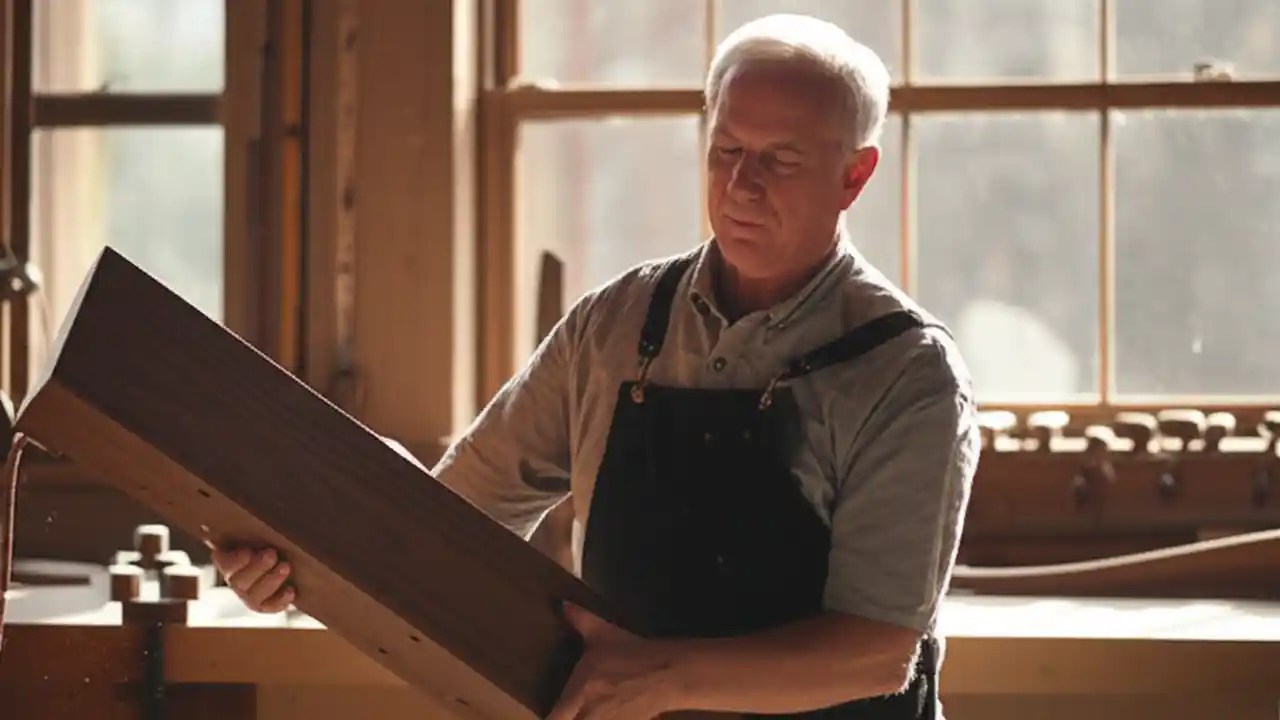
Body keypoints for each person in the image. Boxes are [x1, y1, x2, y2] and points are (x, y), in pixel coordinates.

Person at [213, 14, 979, 719]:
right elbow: (454, 528)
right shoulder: (615, 325)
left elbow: (878, 653)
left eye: (780, 160)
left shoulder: (908, 374)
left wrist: (664, 675)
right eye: (726, 151)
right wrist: (306, 555)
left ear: (856, 174)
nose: (742, 186)